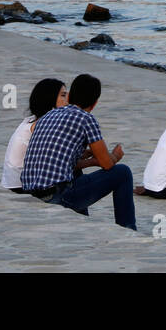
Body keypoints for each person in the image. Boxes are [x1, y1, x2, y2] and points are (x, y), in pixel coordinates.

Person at [20, 73, 137, 230]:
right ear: (94, 103)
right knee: (122, 172)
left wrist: (85, 155)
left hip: (32, 192)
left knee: (75, 173)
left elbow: (58, 159)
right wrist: (116, 155)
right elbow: (107, 164)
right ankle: (128, 227)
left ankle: (82, 220)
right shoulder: (86, 119)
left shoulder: (49, 115)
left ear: (69, 97)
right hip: (57, 196)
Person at [1, 79, 72, 192]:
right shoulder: (42, 124)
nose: (67, 100)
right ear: (50, 98)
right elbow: (58, 160)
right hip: (21, 184)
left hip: (14, 180)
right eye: (63, 95)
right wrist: (92, 161)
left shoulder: (33, 119)